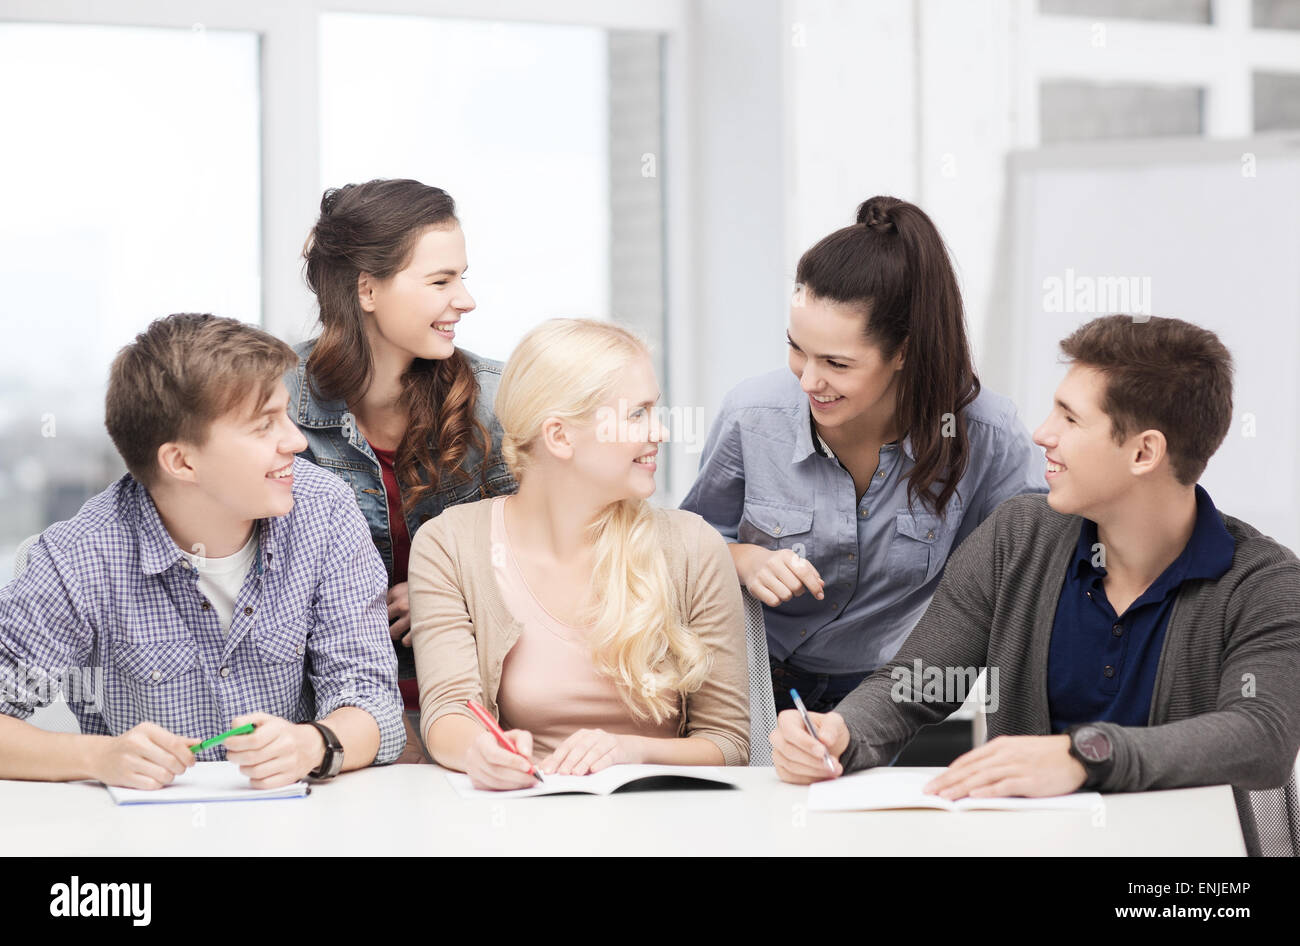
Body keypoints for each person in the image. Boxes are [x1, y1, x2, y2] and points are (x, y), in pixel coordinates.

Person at [770, 315, 1300, 855]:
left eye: (1070, 419)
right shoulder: (1016, 537)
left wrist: (1081, 755)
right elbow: (918, 684)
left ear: (1144, 452)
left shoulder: (1263, 582)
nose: (1043, 434)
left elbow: (1262, 735)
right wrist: (841, 732)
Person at [0, 314, 404, 789]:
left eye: (286, 413)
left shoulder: (324, 510)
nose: (296, 441)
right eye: (263, 426)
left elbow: (372, 699)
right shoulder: (81, 555)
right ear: (181, 461)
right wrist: (102, 756)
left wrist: (313, 744)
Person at [681, 195, 1045, 713]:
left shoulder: (987, 433)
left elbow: (1031, 572)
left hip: (894, 698)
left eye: (836, 362)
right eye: (796, 348)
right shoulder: (752, 414)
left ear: (904, 352)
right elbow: (688, 546)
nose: (809, 379)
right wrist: (744, 559)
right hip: (753, 681)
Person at [408, 318, 750, 790]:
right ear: (561, 437)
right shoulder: (449, 546)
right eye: (638, 414)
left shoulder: (693, 547)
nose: (661, 432)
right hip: (523, 811)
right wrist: (481, 754)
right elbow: (448, 713)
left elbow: (728, 744)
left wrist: (632, 753)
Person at [288, 179, 515, 758]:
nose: (465, 300)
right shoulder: (277, 406)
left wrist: (455, 587)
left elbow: (578, 546)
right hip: (329, 718)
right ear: (367, 289)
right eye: (441, 281)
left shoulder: (498, 399)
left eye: (462, 277)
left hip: (484, 709)